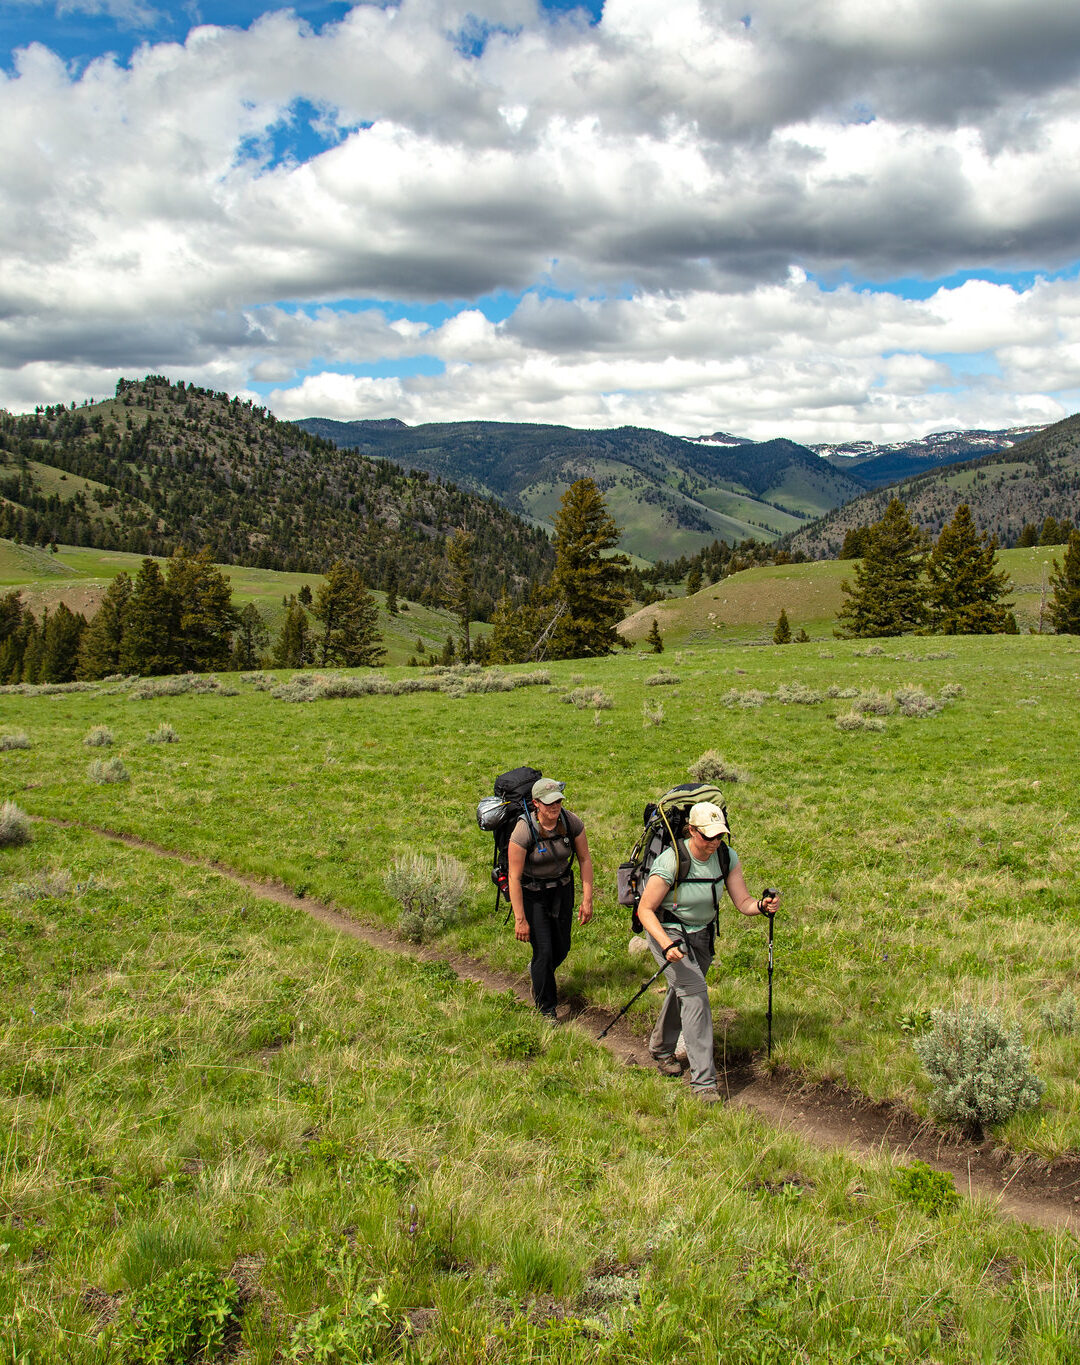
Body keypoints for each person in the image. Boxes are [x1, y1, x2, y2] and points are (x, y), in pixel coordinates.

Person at [634, 800, 779, 1103]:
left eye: (719, 836)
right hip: (668, 932)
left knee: (683, 991)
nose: (714, 842)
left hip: (702, 934)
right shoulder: (671, 861)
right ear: (691, 831)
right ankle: (704, 1085)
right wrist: (667, 944)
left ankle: (661, 1049)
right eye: (707, 836)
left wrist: (761, 907)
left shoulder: (726, 856)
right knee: (696, 996)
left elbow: (743, 902)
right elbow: (645, 910)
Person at [508, 776, 594, 1020]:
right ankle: (547, 1010)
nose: (554, 807)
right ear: (536, 803)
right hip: (533, 895)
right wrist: (520, 918)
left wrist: (587, 900)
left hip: (563, 890)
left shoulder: (570, 821)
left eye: (557, 801)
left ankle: (539, 972)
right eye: (548, 803)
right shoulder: (524, 830)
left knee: (562, 947)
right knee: (544, 951)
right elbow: (514, 877)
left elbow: (585, 859)